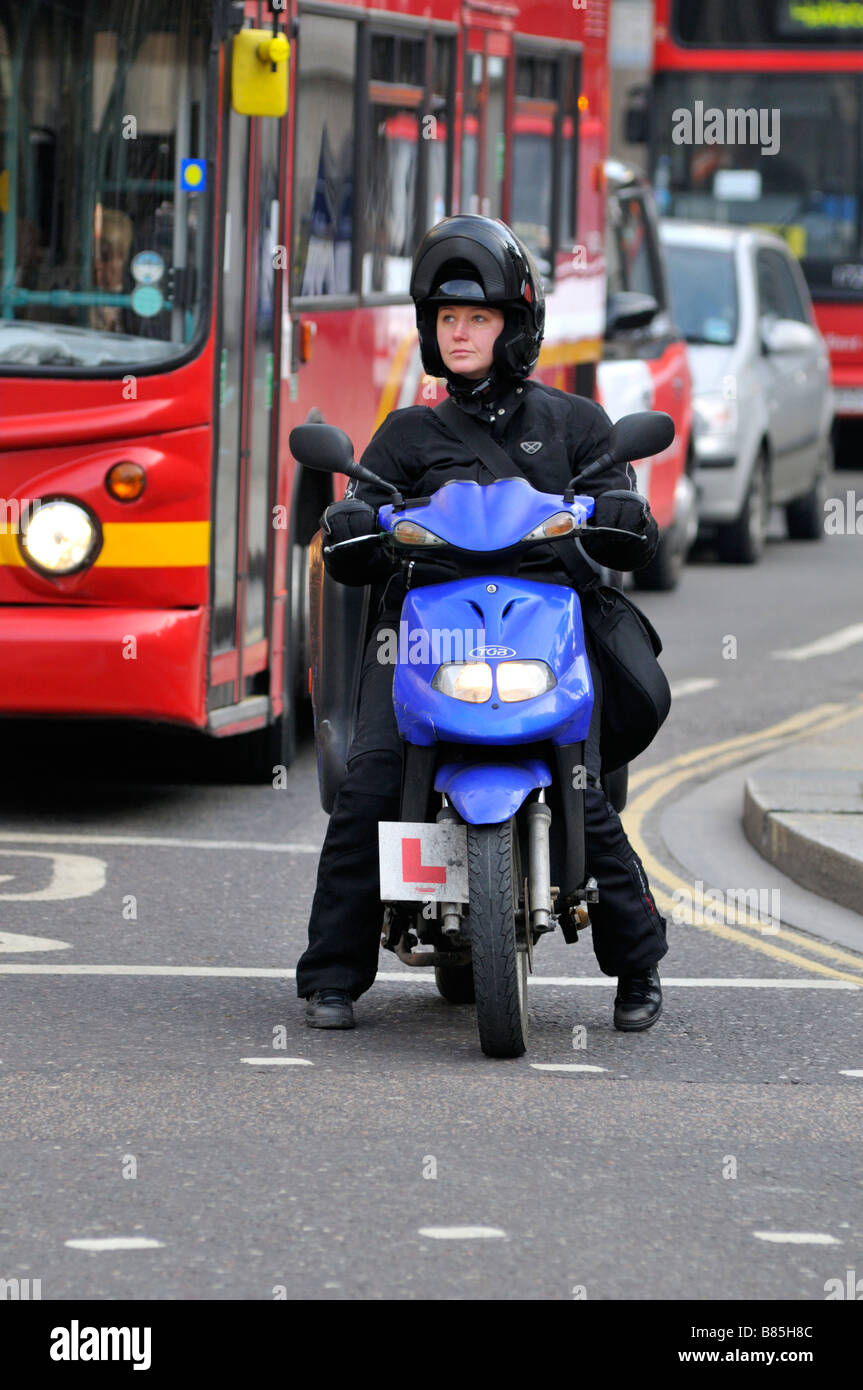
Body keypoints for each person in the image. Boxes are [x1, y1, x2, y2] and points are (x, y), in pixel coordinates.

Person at [296, 215, 668, 1032]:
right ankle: (330, 973)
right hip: (425, 632)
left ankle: (638, 964)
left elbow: (633, 522)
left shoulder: (572, 424)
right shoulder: (406, 434)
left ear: (515, 327)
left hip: (543, 630)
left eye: (478, 318)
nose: (458, 333)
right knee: (372, 781)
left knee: (582, 779)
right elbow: (358, 515)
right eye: (446, 319)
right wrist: (354, 523)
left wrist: (620, 509)